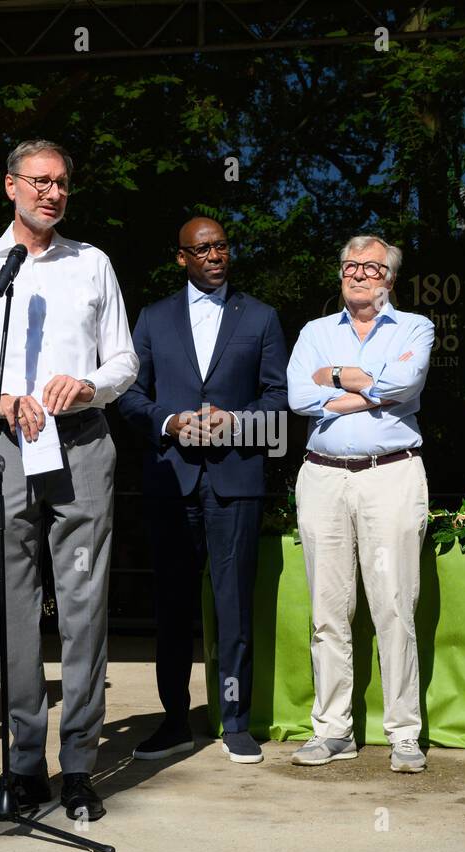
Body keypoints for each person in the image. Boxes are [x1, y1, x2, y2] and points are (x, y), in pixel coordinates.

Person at [0, 140, 138, 822]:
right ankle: (22, 768)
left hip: (79, 445)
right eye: (40, 182)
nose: (53, 193)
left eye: (63, 184)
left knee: (83, 608)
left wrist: (92, 383)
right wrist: (0, 399)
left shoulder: (93, 264)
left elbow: (125, 359)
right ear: (10, 186)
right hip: (3, 446)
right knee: (14, 614)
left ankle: (77, 765)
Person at [118, 216, 288, 765]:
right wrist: (169, 423)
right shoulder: (152, 318)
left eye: (221, 246)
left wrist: (234, 423)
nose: (216, 255)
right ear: (182, 257)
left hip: (235, 480)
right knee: (171, 605)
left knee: (234, 603)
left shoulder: (259, 317)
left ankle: (235, 722)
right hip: (172, 478)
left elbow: (278, 400)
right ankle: (174, 721)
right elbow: (129, 396)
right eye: (203, 248)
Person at [285, 235, 433, 773]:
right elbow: (298, 396)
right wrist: (371, 387)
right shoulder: (315, 331)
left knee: (394, 607)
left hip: (390, 473)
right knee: (328, 611)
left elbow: (406, 382)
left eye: (371, 267)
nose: (358, 274)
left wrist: (336, 379)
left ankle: (404, 735)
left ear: (390, 278)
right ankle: (332, 731)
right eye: (350, 265)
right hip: (322, 476)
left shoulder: (415, 327)